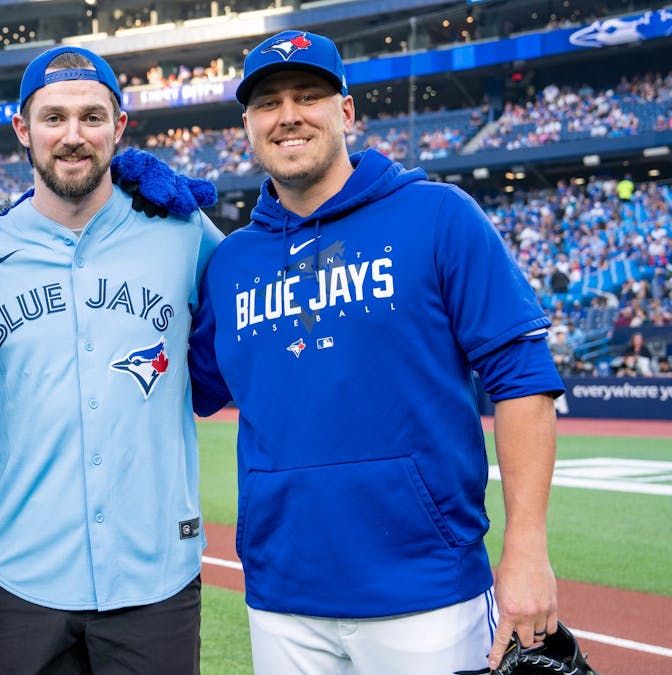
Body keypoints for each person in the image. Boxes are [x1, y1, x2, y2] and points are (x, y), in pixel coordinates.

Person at [188, 30, 564, 674]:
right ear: (247, 126)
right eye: (268, 103)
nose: (288, 116)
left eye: (308, 96)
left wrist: (527, 548)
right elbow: (184, 386)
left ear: (346, 111)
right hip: (281, 595)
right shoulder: (232, 262)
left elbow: (522, 378)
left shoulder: (439, 216)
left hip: (427, 592)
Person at [0, 46, 221, 674]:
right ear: (22, 129)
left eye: (92, 116)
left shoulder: (185, 234)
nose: (73, 135)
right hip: (23, 574)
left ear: (120, 126)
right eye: (53, 117)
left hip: (154, 574)